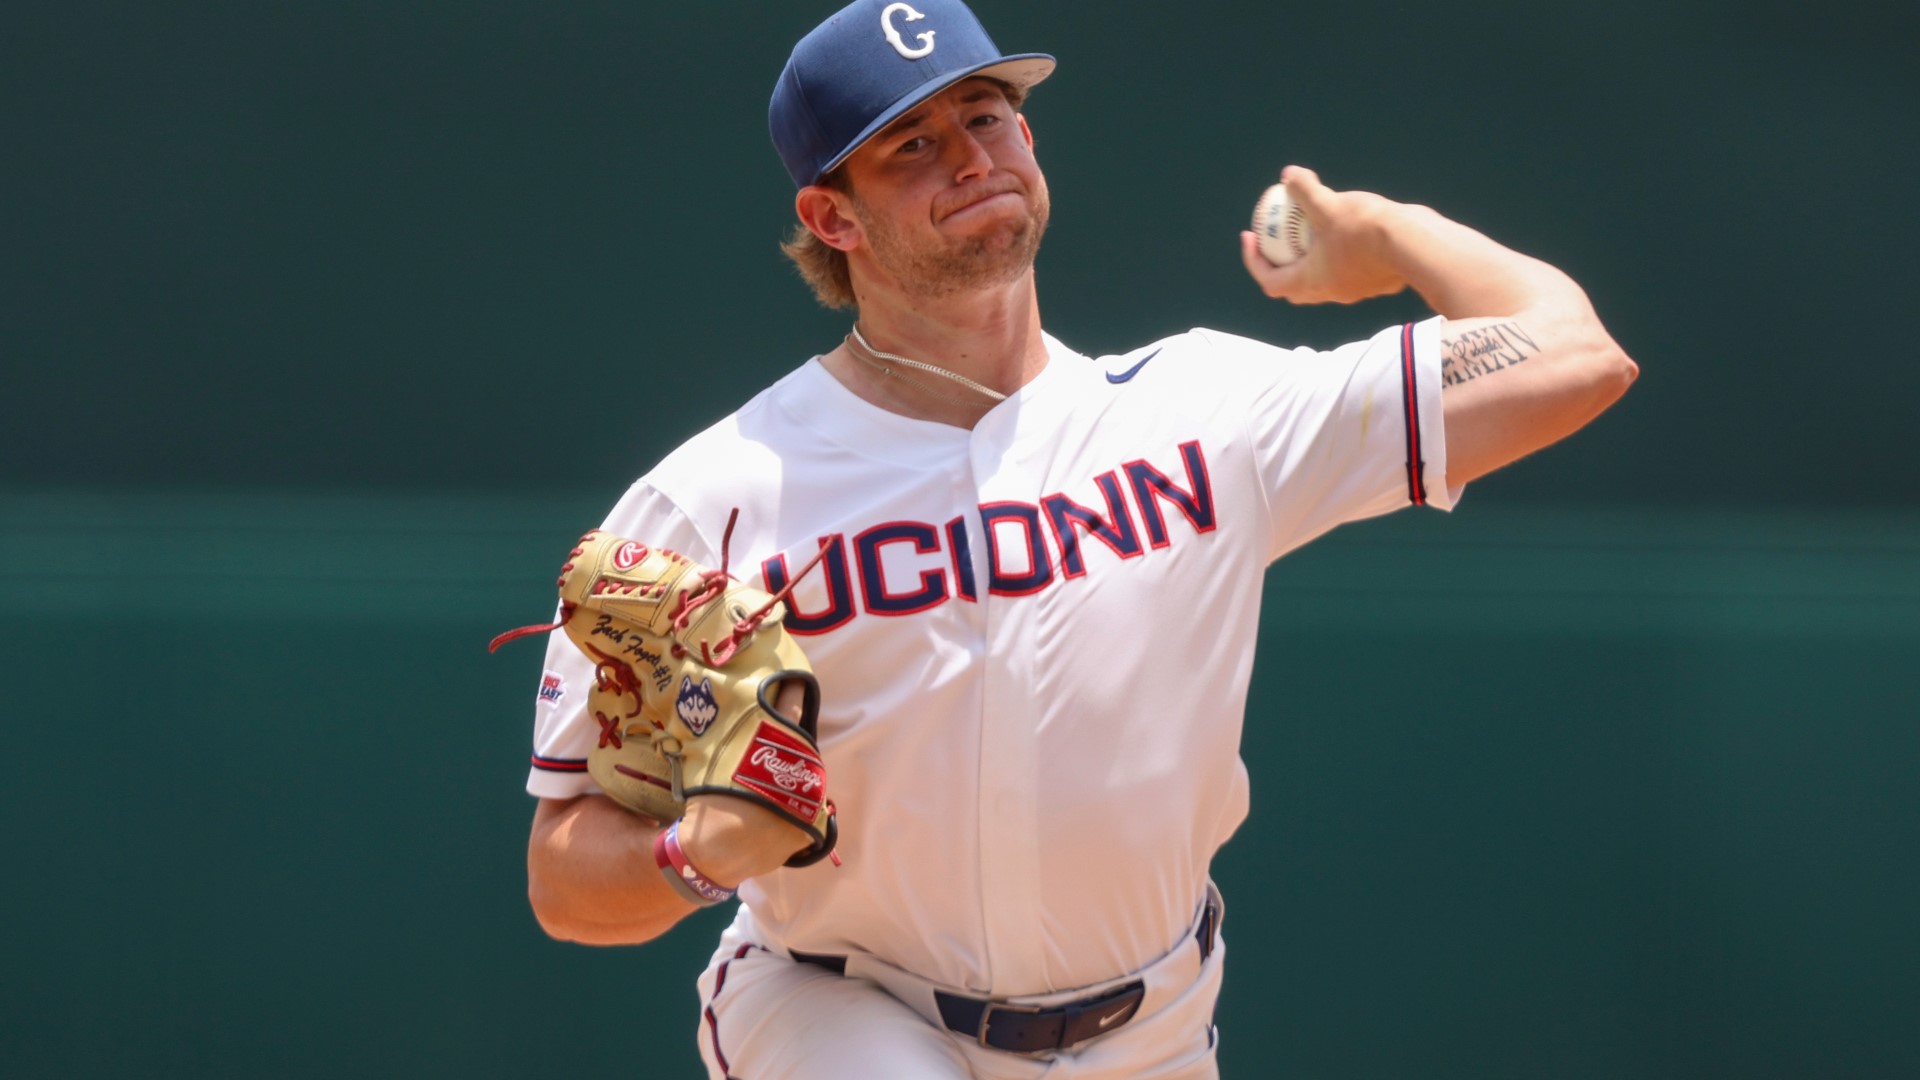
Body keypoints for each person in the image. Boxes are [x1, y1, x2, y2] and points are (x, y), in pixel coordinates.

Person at [519, 1, 1637, 1076]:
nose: (971, 158)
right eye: (912, 144)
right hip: (839, 1004)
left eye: (987, 115)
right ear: (831, 218)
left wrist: (1388, 233)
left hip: (1150, 1029)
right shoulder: (715, 495)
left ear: (1031, 141)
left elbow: (1578, 359)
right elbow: (563, 884)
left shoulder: (1204, 413)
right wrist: (693, 855)